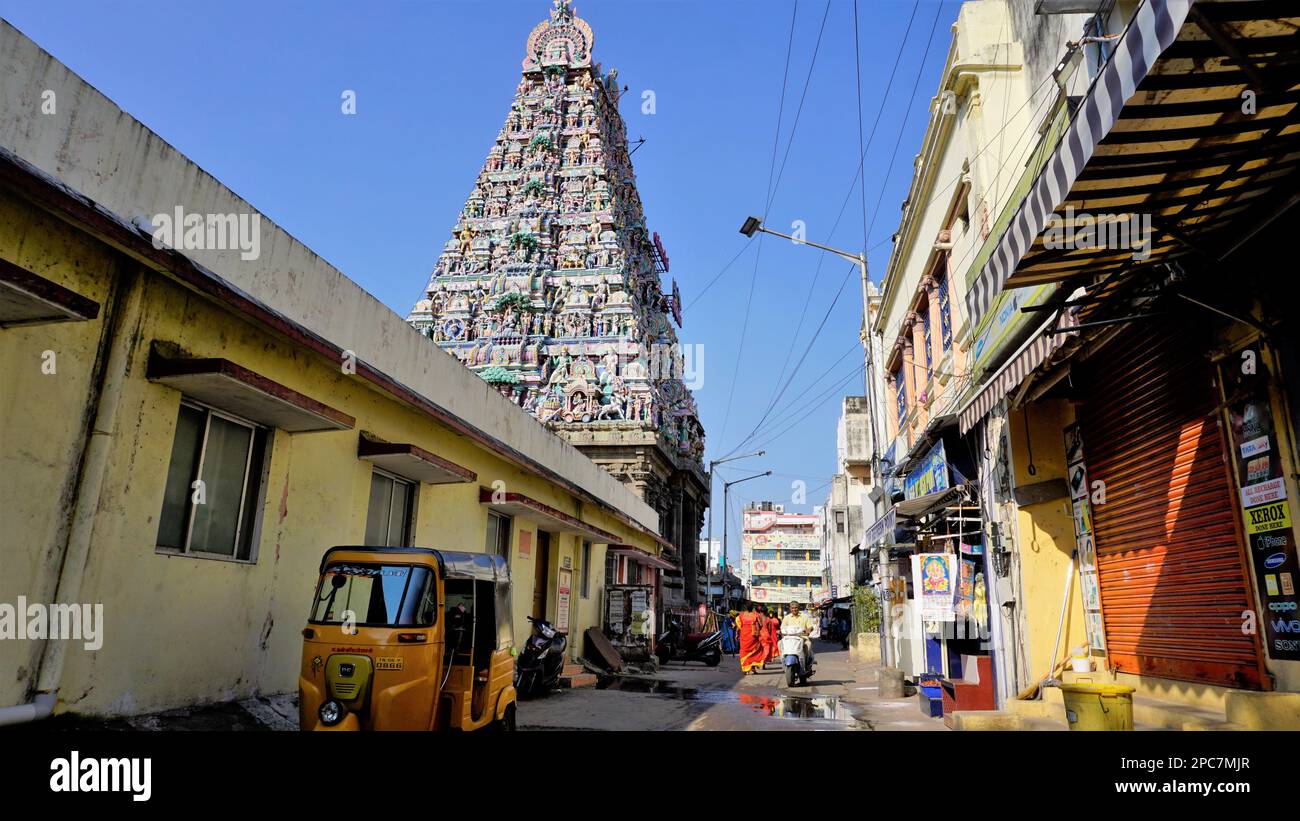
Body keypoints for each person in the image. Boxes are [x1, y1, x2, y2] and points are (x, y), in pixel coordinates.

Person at [780, 601, 817, 671]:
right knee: (779, 643)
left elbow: (810, 626)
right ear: (790, 609)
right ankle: (783, 661)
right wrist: (780, 631)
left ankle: (806, 664)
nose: (794, 609)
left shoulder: (804, 617)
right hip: (789, 639)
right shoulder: (786, 618)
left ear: (799, 608)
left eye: (796, 607)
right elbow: (782, 628)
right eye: (792, 608)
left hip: (802, 638)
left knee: (808, 645)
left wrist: (808, 630)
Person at [736, 604, 765, 674]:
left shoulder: (741, 616)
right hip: (753, 636)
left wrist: (738, 633)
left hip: (744, 636)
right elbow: (761, 625)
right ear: (752, 608)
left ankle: (745, 669)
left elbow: (739, 625)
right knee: (754, 652)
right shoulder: (756, 615)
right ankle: (753, 668)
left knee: (744, 651)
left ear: (745, 608)